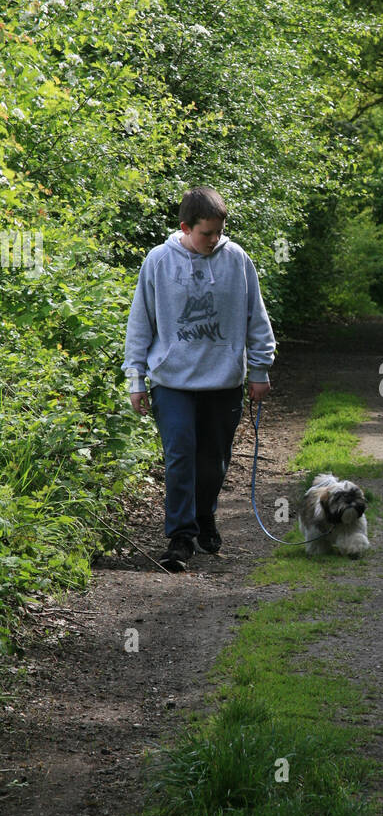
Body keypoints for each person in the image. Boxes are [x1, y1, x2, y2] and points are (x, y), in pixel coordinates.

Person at [122, 185, 276, 571]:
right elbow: (141, 322)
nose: (214, 239)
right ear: (185, 227)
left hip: (224, 382)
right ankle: (180, 537)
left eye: (219, 232)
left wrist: (259, 369)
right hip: (172, 382)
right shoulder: (158, 261)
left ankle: (204, 515)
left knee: (214, 462)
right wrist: (136, 378)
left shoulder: (237, 259)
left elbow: (256, 317)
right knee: (179, 457)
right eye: (206, 233)